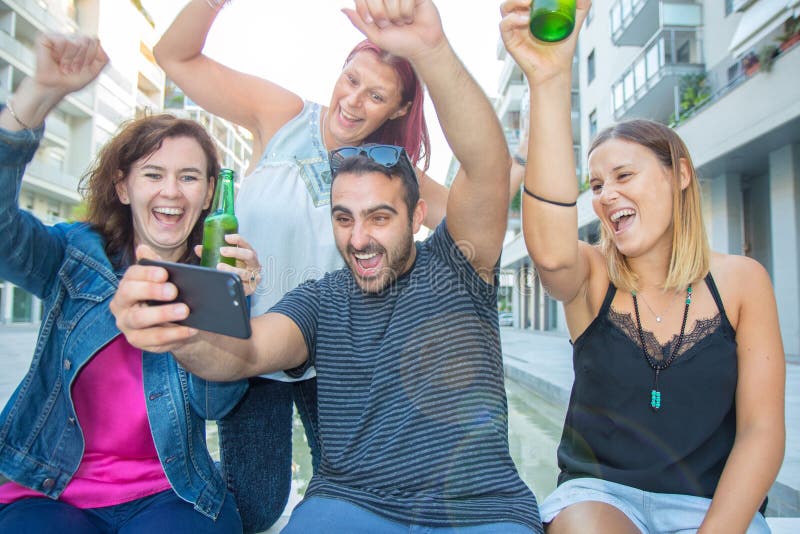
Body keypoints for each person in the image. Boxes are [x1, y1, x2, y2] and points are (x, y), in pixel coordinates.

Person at [111, 2, 544, 532]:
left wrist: (511, 169)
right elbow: (175, 57)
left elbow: (480, 191)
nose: (355, 100)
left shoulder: (392, 170)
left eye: (377, 95)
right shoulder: (283, 115)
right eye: (352, 79)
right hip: (263, 328)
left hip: (339, 353)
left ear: (398, 108)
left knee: (354, 480)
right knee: (259, 502)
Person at [500, 1, 786, 532]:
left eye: (624, 175)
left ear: (678, 175)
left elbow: (761, 433)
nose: (606, 195)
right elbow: (551, 252)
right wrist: (548, 77)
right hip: (600, 499)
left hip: (711, 507)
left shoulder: (743, 282)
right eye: (598, 185)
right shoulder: (590, 275)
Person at [0, 33, 262, 533]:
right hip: (50, 490)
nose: (170, 191)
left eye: (189, 177)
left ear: (209, 193)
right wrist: (37, 93)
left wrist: (223, 312)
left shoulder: (221, 276)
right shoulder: (73, 253)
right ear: (123, 186)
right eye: (153, 174)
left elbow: (217, 405)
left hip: (170, 492)